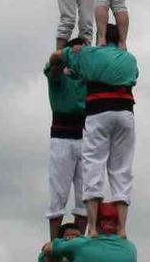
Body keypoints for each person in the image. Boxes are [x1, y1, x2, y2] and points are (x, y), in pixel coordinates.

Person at [51, 25, 137, 235]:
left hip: (99, 112)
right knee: (121, 169)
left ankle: (92, 227)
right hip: (126, 112)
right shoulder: (130, 58)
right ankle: (122, 227)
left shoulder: (90, 55)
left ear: (102, 36)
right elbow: (133, 77)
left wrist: (73, 53)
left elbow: (56, 56)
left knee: (93, 165)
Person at [46, 41, 90, 239]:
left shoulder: (89, 74)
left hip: (87, 136)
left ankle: (80, 245)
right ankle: (54, 244)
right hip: (62, 136)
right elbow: (54, 60)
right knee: (58, 193)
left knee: (86, 196)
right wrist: (67, 53)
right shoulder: (58, 72)